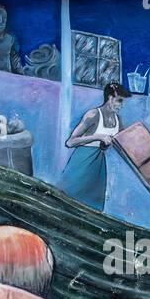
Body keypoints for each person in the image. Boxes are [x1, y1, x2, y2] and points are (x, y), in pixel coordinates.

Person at [58, 82, 129, 211]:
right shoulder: (93, 115)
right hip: (82, 162)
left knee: (93, 208)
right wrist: (98, 137)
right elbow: (70, 142)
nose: (121, 106)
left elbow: (122, 144)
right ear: (110, 98)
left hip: (99, 165)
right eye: (119, 101)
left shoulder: (118, 120)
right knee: (69, 203)